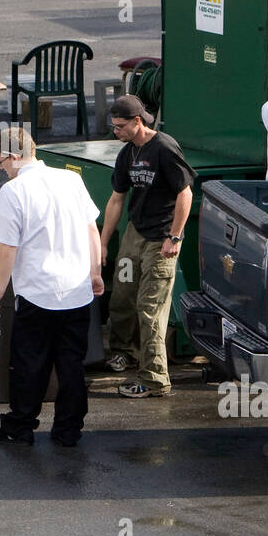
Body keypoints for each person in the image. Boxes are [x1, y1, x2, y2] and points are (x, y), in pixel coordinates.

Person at [0, 127, 103, 446]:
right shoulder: (71, 180)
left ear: (13, 156)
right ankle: (68, 430)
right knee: (71, 364)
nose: (2, 169)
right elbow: (92, 230)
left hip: (37, 292)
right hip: (77, 292)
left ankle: (20, 426)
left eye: (0, 162)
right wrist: (95, 272)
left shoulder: (13, 191)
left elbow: (7, 248)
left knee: (29, 362)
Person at [100, 95, 195, 398]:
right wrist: (103, 244)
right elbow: (117, 199)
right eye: (113, 126)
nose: (115, 131)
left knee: (150, 309)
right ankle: (122, 351)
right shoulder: (127, 153)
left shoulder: (164, 148)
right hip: (134, 234)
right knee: (122, 293)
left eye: (120, 126)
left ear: (137, 121)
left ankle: (155, 378)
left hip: (161, 239)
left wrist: (175, 236)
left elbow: (185, 193)